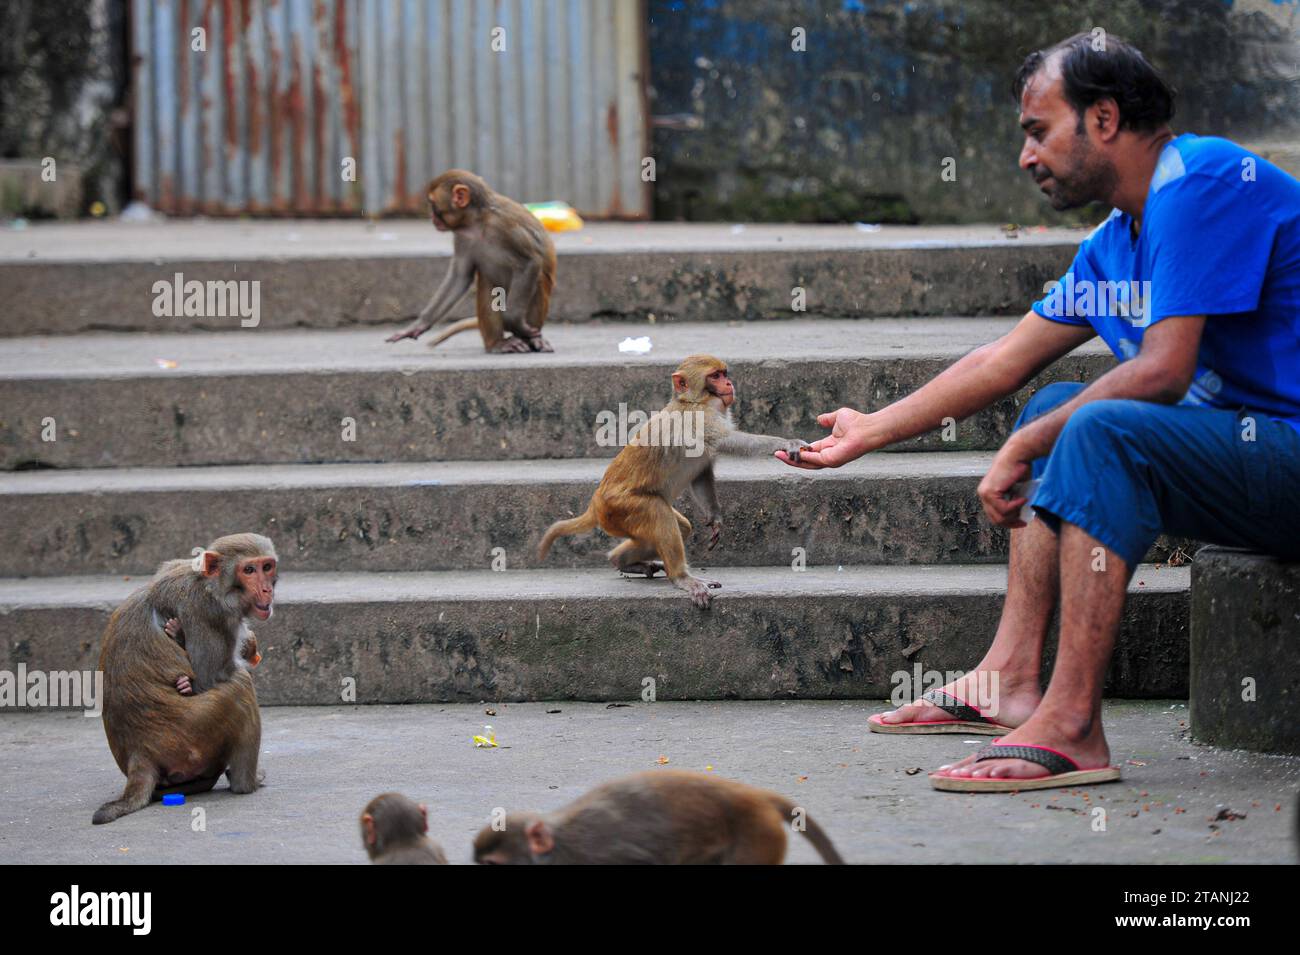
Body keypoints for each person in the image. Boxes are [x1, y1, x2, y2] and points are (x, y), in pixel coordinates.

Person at [778, 32, 1300, 792]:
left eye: (1037, 130)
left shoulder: (1203, 180)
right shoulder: (1116, 240)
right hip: (1257, 458)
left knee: (1092, 425)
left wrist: (1027, 440)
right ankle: (1011, 679)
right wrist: (872, 429)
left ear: (1105, 119)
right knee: (1064, 404)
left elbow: (1162, 371)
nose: (1026, 156)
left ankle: (1074, 725)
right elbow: (1005, 358)